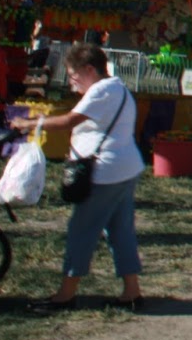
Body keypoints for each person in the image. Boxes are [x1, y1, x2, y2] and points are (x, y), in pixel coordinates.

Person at [9, 42, 144, 313]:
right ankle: (131, 291)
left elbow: (69, 121)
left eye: (73, 75)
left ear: (88, 69)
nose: (72, 82)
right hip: (124, 169)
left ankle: (66, 294)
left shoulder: (101, 91)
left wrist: (29, 123)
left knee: (81, 231)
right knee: (120, 231)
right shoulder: (119, 88)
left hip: (104, 173)